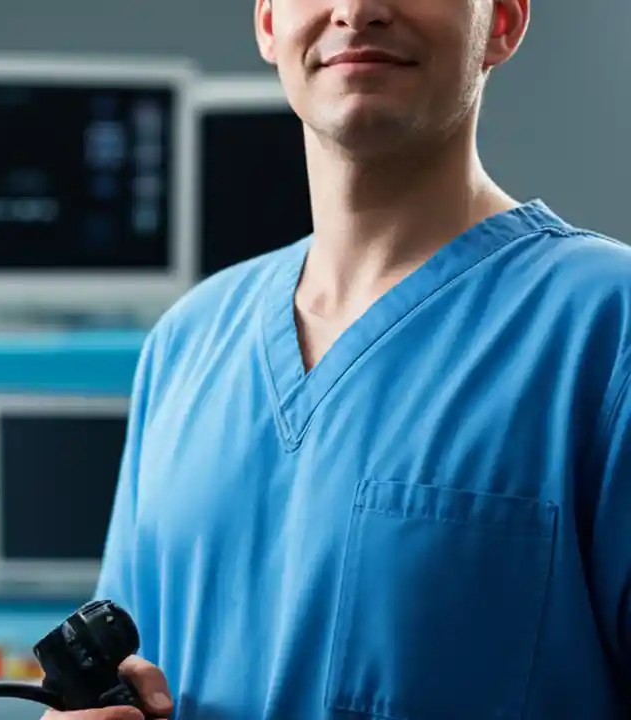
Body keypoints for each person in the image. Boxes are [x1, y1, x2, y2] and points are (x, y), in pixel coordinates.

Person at [46, 0, 631, 717]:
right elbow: (130, 675)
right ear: (268, 23)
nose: (357, 10)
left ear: (502, 22)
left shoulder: (605, 328)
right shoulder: (188, 342)